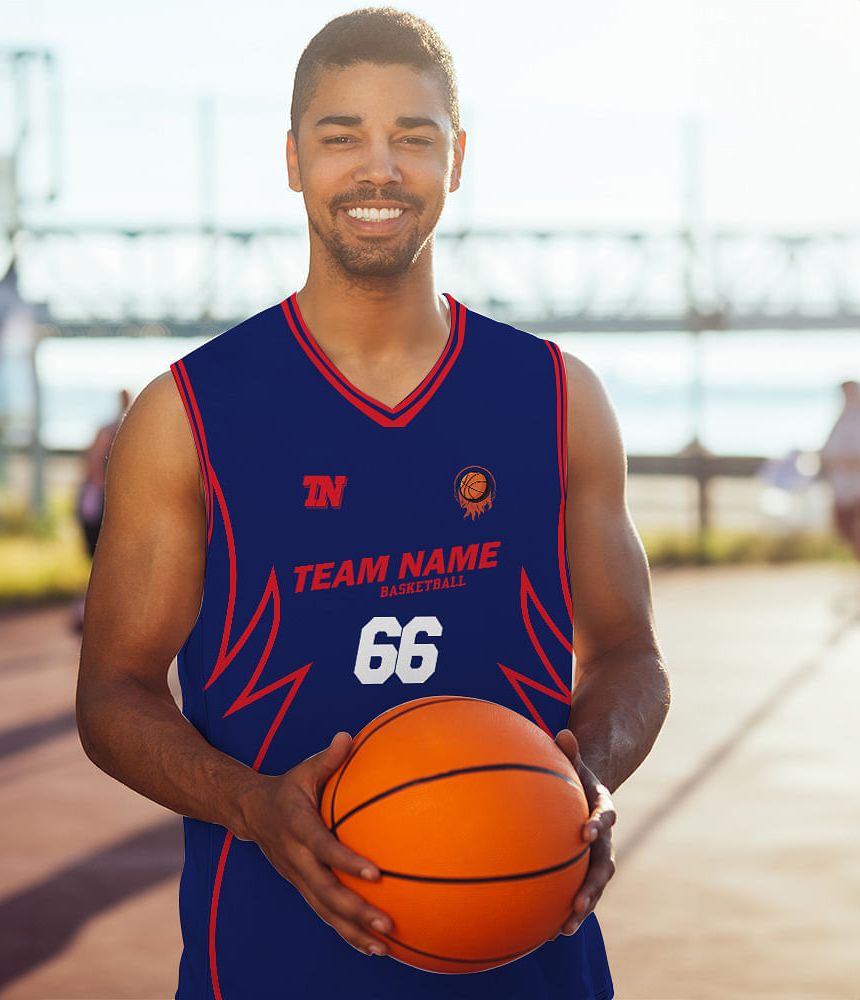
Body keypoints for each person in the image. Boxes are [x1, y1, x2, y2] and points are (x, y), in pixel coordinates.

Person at [76, 9, 670, 999]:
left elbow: (629, 654)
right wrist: (255, 802)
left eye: (414, 137)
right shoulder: (189, 414)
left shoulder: (559, 398)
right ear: (293, 160)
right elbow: (112, 692)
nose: (378, 169)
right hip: (267, 958)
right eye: (341, 135)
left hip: (528, 948)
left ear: (458, 157)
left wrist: (586, 779)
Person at [73, 388, 130, 629]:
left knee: (101, 559)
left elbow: (90, 463)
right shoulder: (117, 429)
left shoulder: (110, 429)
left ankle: (98, 609)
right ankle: (99, 610)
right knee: (103, 558)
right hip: (101, 499)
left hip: (98, 498)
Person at [820, 379, 860, 558]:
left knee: (856, 529)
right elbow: (827, 452)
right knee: (845, 530)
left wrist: (847, 461)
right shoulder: (841, 418)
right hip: (842, 487)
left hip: (856, 488)